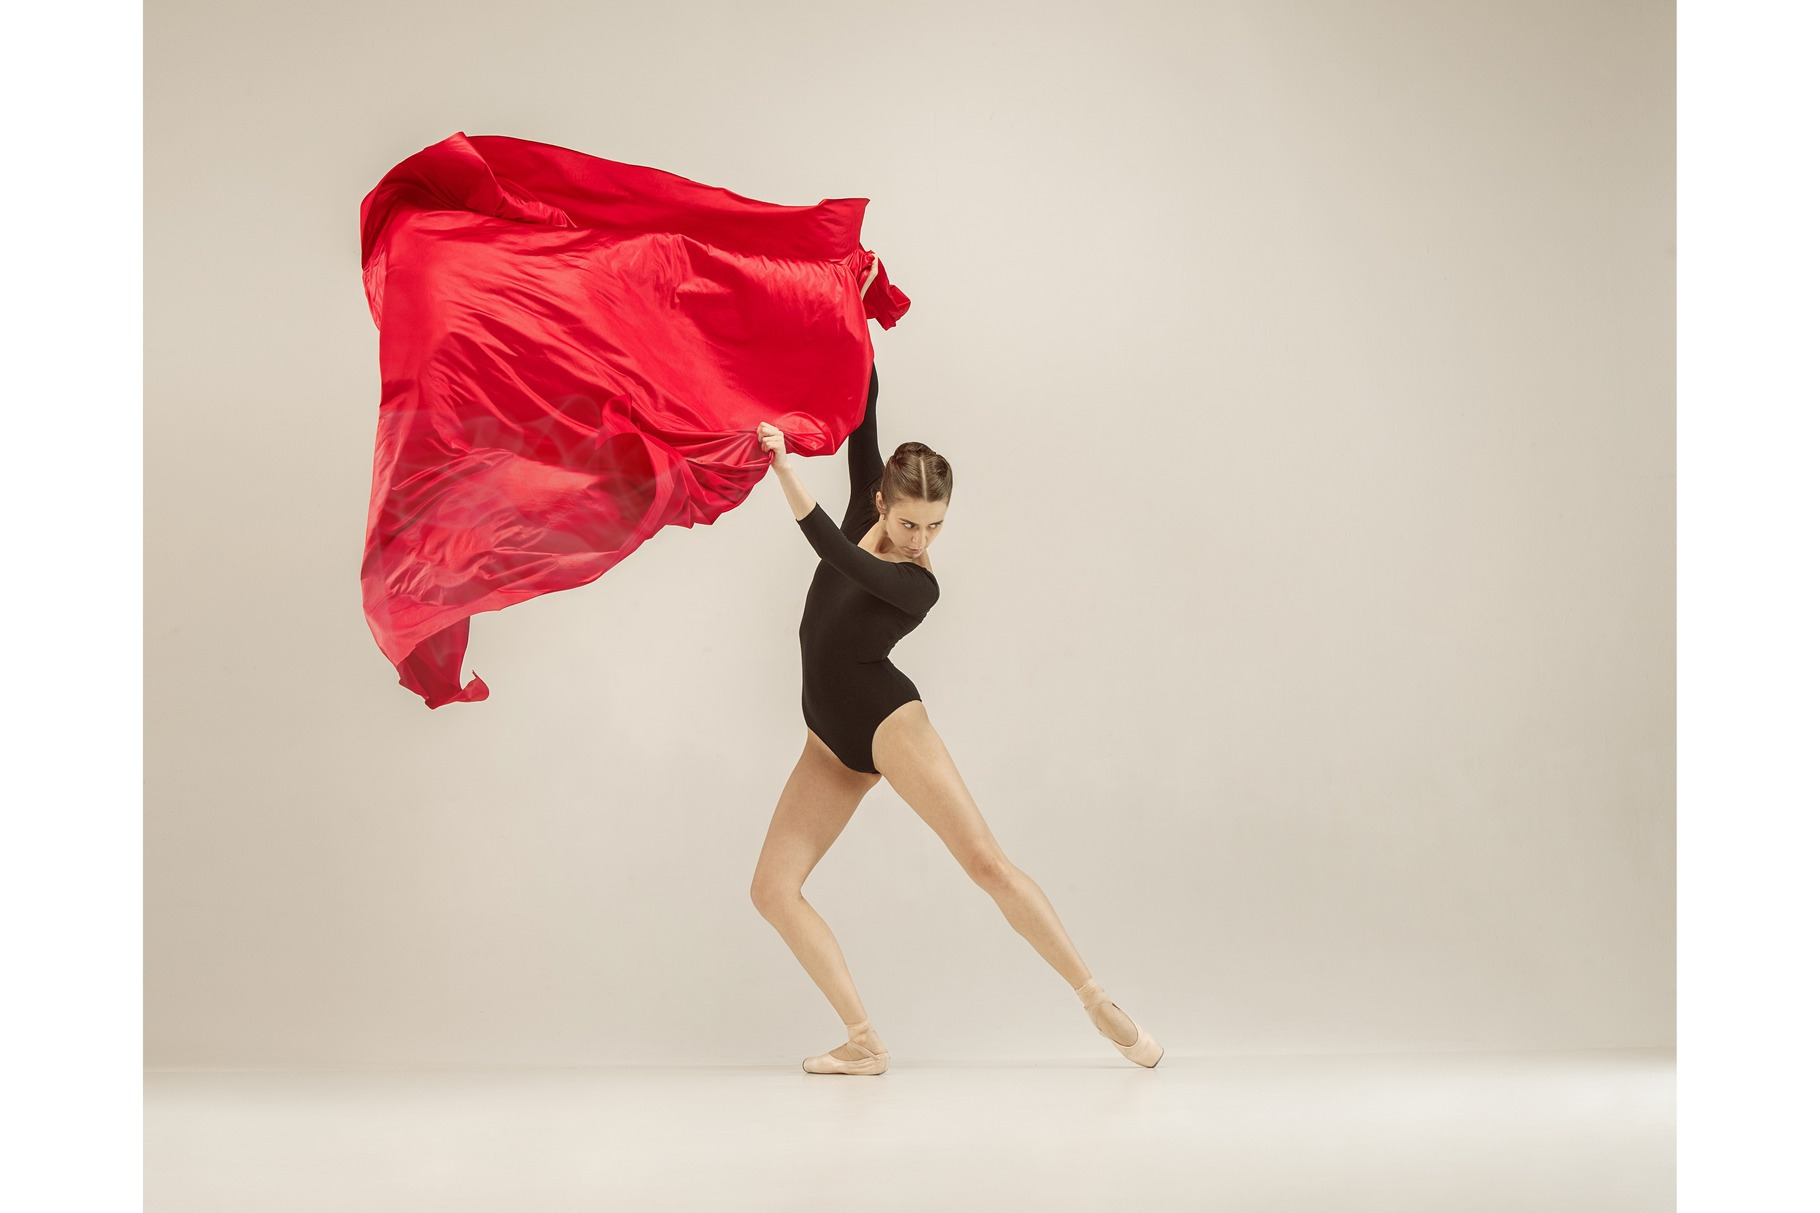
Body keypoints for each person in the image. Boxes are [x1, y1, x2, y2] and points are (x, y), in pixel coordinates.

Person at [749, 362, 1163, 1075]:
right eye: (909, 522)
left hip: (888, 720)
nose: (920, 539)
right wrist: (855, 312)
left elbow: (838, 555)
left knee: (984, 861)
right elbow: (862, 405)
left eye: (935, 525)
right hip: (827, 743)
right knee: (771, 890)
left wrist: (784, 469)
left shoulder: (917, 585)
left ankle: (1095, 999)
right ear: (880, 499)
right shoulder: (865, 502)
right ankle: (863, 1040)